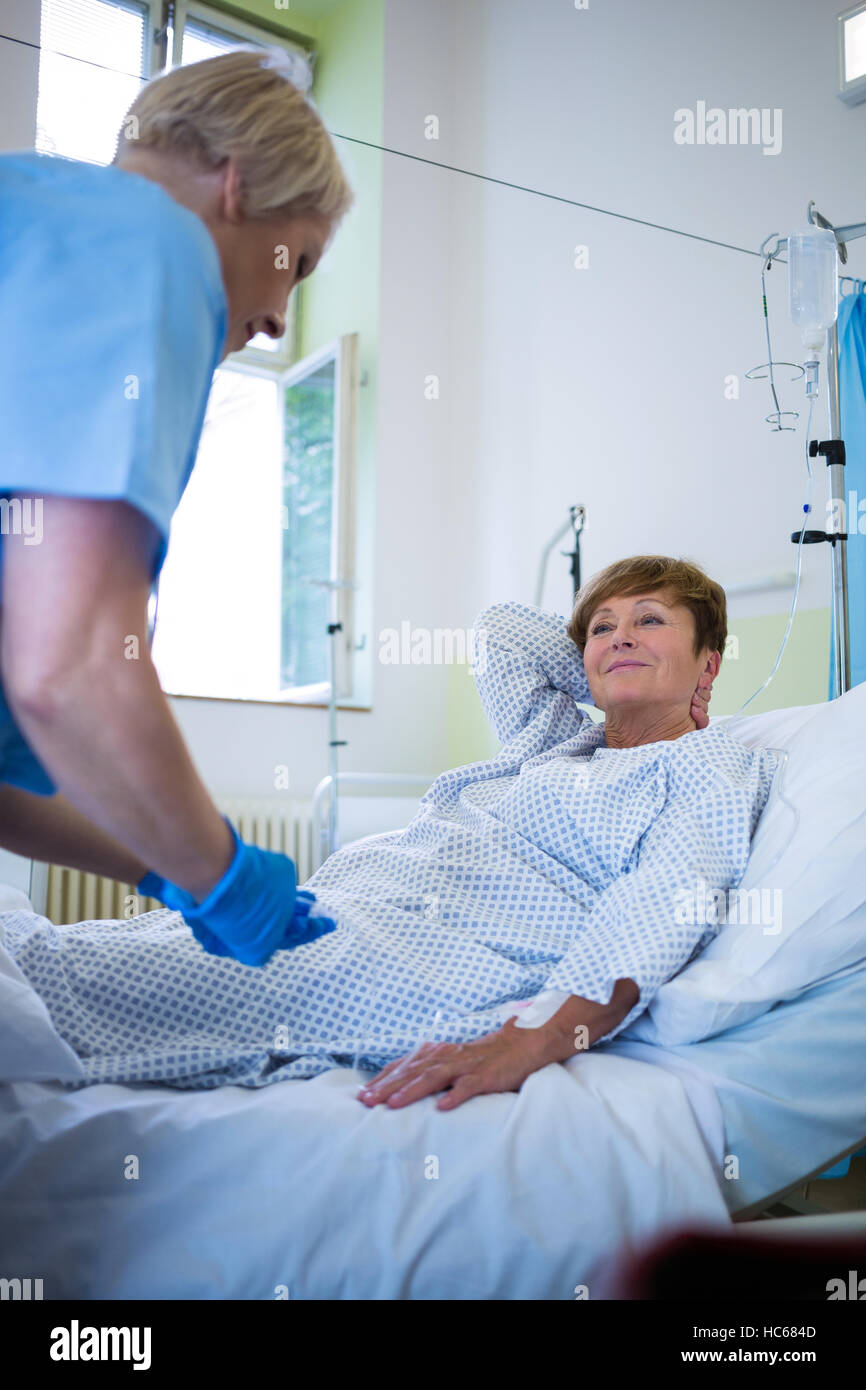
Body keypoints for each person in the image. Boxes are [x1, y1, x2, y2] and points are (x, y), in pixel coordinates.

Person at [3, 555, 777, 1109]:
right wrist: (611, 666)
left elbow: (666, 901)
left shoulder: (705, 768)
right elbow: (502, 633)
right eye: (603, 626)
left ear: (710, 664)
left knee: (109, 979)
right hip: (367, 902)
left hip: (443, 955)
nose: (620, 633)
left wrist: (541, 1037)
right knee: (126, 953)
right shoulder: (554, 742)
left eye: (650, 620)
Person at [0, 49, 353, 965]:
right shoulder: (152, 244)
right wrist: (224, 872)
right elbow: (68, 666)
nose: (278, 316)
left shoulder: (36, 214)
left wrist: (165, 869)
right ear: (236, 185)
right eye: (298, 263)